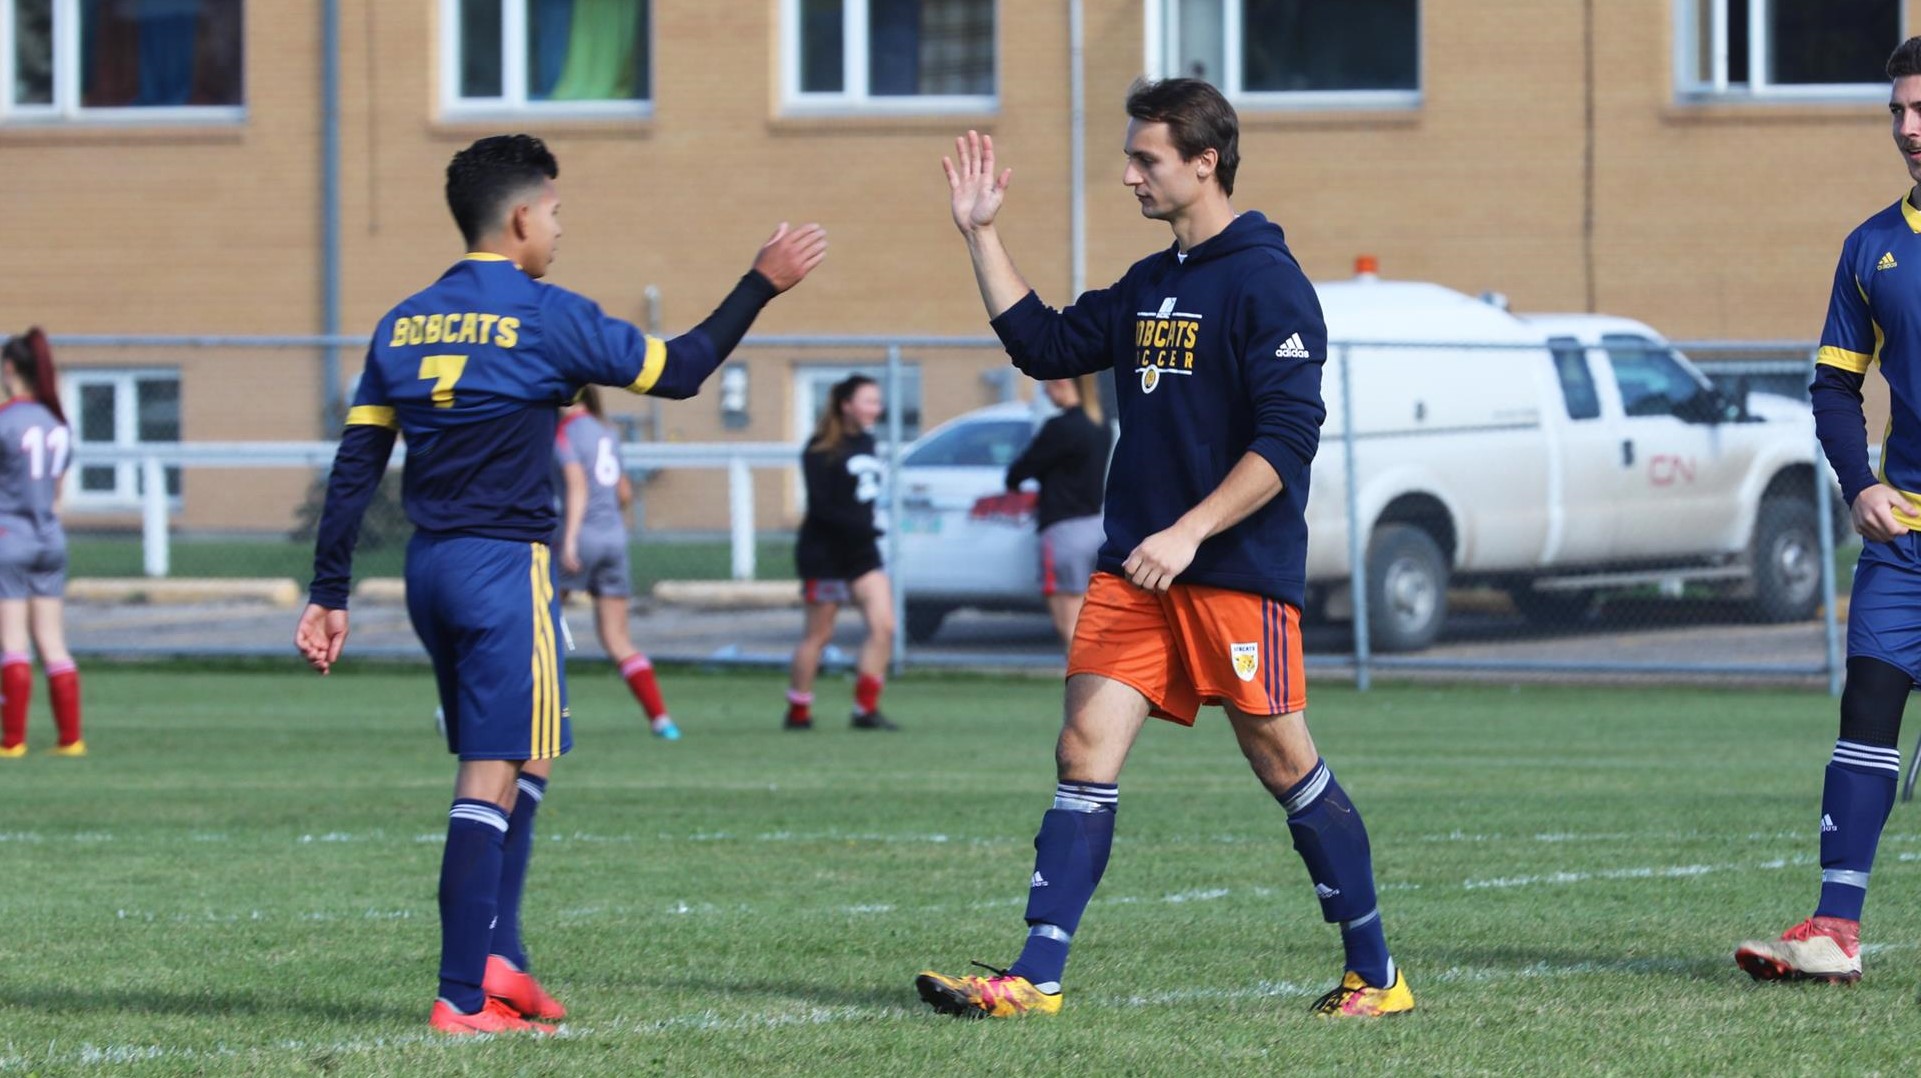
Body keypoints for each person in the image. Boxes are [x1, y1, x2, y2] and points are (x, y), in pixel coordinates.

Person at [295, 134, 825, 1035]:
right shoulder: (545, 313)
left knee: (529, 748)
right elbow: (684, 369)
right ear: (519, 218)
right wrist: (760, 282)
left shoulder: (403, 320)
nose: (560, 228)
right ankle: (462, 994)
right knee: (488, 773)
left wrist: (330, 592)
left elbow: (355, 468)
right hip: (504, 566)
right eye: (555, 212)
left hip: (430, 568)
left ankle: (502, 958)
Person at [915, 78, 1412, 1019]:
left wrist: (1189, 531)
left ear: (1203, 162)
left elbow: (1284, 444)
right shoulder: (1151, 283)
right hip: (1132, 572)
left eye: (1146, 158)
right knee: (1083, 749)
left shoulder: (1267, 281)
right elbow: (1043, 344)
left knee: (1280, 761)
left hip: (1230, 571)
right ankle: (1034, 978)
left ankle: (1376, 976)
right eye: (1130, 157)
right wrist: (980, 235)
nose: (1130, 175)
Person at [1735, 36, 1921, 985]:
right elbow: (1831, 388)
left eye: (1919, 108)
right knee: (1865, 712)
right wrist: (1860, 485)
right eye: (1895, 111)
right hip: (1904, 544)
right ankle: (1833, 934)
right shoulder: (1871, 246)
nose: (1907, 128)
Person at [555, 386, 680, 741]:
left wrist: (570, 540)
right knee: (617, 638)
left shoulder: (562, 431)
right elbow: (624, 492)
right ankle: (661, 720)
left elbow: (576, 487)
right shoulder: (606, 429)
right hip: (613, 538)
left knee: (539, 630)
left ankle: (536, 714)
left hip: (578, 539)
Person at [782, 374, 898, 731]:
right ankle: (798, 710)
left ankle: (865, 710)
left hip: (861, 552)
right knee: (819, 634)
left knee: (884, 627)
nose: (875, 409)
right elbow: (821, 508)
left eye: (877, 402)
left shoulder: (866, 441)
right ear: (846, 405)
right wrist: (860, 527)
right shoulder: (819, 448)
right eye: (868, 401)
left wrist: (868, 529)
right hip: (826, 553)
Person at [0, 329, 83, 759]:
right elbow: (55, 492)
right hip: (50, 537)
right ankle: (70, 739)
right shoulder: (57, 423)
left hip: (9, 536)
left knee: (13, 642)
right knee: (52, 641)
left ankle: (12, 742)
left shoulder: (5, 419)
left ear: (10, 367)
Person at [1004, 375, 1109, 646]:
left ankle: (1082, 685)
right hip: (1095, 527)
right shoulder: (1100, 424)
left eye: (1047, 387)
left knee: (1068, 622)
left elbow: (1021, 468)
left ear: (1061, 383)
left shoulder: (1060, 427)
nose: (1047, 395)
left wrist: (1014, 481)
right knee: (1091, 618)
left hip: (1063, 531)